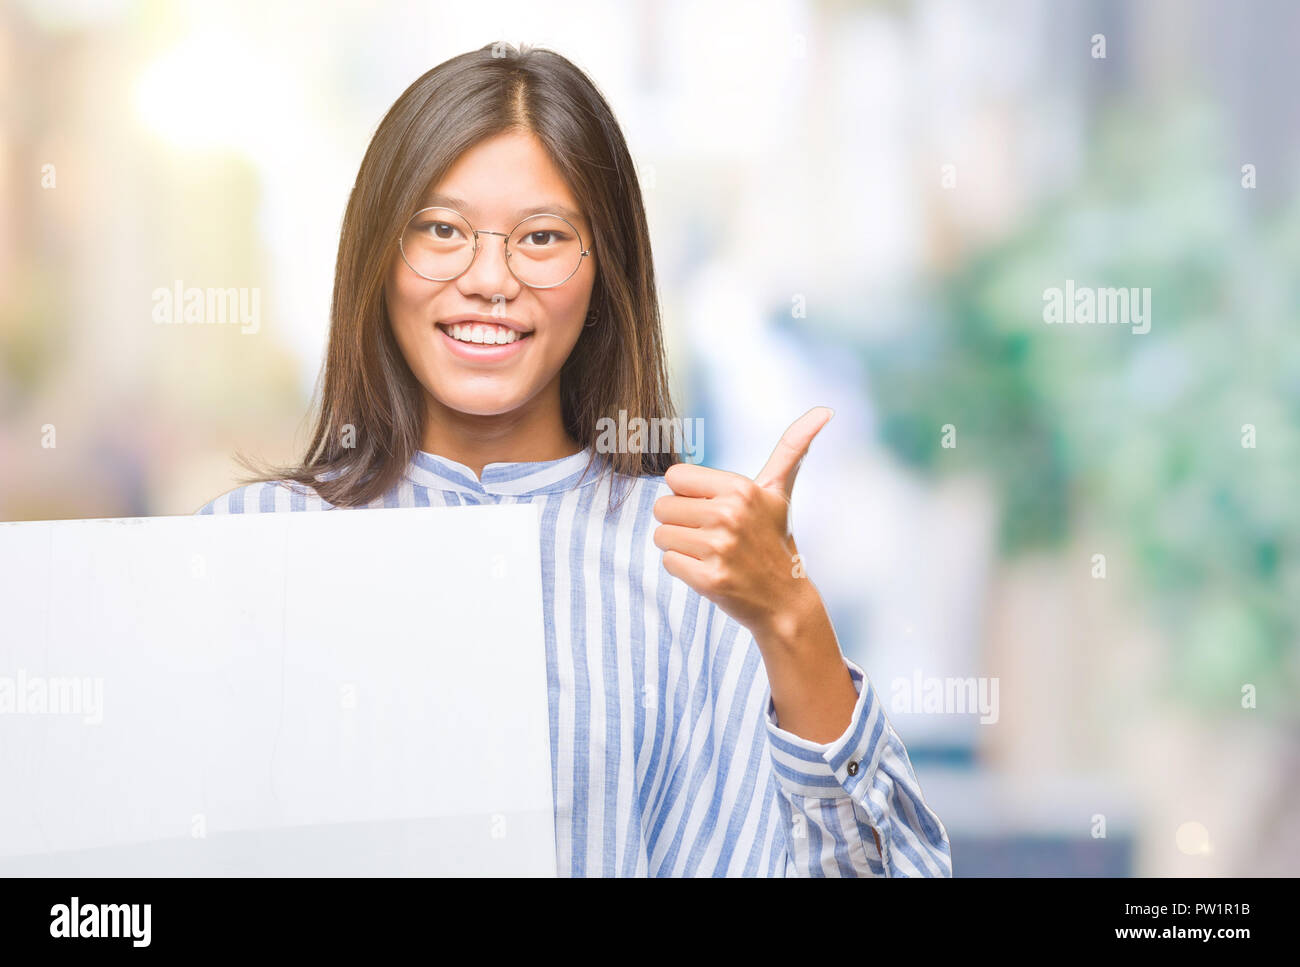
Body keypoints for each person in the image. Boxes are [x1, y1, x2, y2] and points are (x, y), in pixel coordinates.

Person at [199, 41, 951, 877]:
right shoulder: (241, 549)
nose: (490, 277)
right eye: (442, 230)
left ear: (605, 272)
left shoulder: (698, 566)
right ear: (378, 255)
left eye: (544, 236)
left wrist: (791, 621)